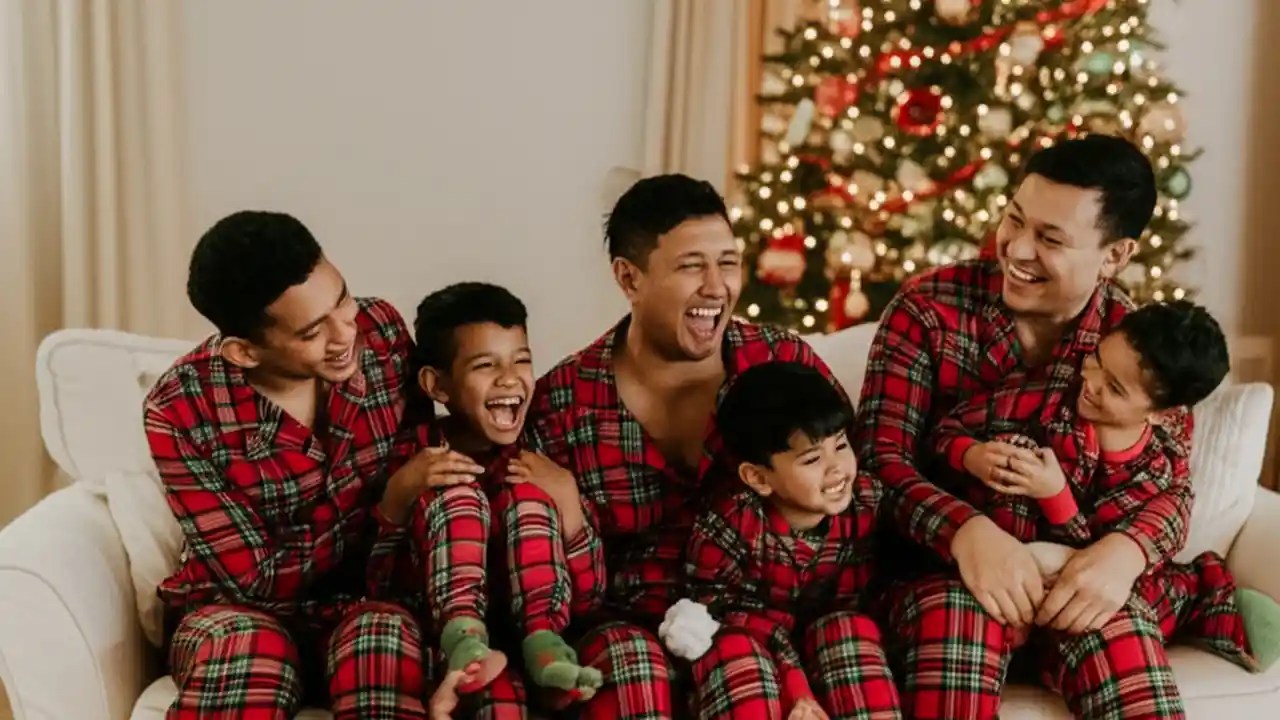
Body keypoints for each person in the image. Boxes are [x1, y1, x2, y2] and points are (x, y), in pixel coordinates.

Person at [854, 134, 1195, 718]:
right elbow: (876, 461)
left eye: (1051, 239)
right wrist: (965, 532)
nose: (1016, 248)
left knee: (1117, 629)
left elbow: (1174, 486)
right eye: (1014, 220)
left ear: (1115, 255)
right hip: (946, 578)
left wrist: (1128, 551)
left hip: (1073, 572)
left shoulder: (1142, 349)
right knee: (955, 621)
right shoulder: (928, 308)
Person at [524, 174, 852, 718]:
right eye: (690, 265)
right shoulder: (562, 405)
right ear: (629, 279)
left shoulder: (783, 364)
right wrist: (570, 514)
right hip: (628, 629)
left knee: (758, 666)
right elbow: (552, 585)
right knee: (630, 664)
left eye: (727, 262)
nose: (717, 286)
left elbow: (851, 501)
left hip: (761, 623)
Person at [146, 211, 442, 718]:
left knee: (382, 638)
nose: (345, 332)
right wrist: (386, 505)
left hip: (369, 602)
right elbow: (255, 580)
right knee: (247, 650)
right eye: (311, 332)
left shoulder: (384, 334)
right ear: (244, 352)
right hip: (236, 613)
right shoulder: (180, 408)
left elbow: (424, 463)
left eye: (342, 299)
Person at [931, 299, 1280, 672]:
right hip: (1019, 558)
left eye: (1114, 388)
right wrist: (971, 454)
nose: (1090, 382)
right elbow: (944, 432)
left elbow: (1094, 562)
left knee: (1123, 600)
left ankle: (1204, 594)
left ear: (1162, 415)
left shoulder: (1153, 475)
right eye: (1096, 359)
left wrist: (1055, 495)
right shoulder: (1040, 397)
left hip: (1089, 575)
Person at [390, 282, 603, 716]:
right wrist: (398, 495)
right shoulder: (414, 457)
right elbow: (376, 583)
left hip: (535, 642)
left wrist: (569, 504)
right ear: (437, 384)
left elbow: (593, 595)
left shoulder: (545, 454)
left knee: (529, 496)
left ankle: (545, 650)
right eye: (486, 365)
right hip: (440, 647)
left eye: (521, 360)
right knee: (458, 498)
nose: (510, 378)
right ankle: (466, 642)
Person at [665, 362, 900, 720]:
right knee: (732, 648)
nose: (837, 468)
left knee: (846, 629)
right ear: (758, 477)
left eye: (841, 445)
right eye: (812, 459)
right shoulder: (730, 525)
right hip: (761, 651)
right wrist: (795, 685)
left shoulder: (870, 501)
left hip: (837, 651)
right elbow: (720, 617)